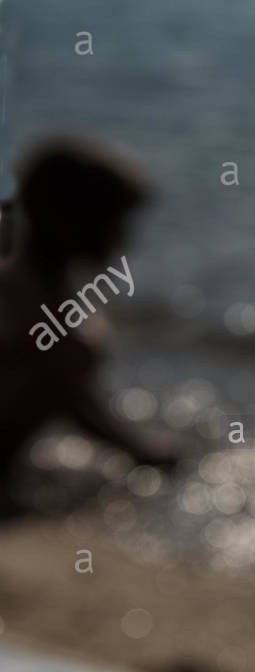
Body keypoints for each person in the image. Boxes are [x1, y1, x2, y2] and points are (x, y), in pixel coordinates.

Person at [0, 135, 175, 501]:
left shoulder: (30, 283)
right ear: (75, 223)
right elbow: (70, 395)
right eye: (118, 222)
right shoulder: (37, 308)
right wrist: (144, 454)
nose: (126, 237)